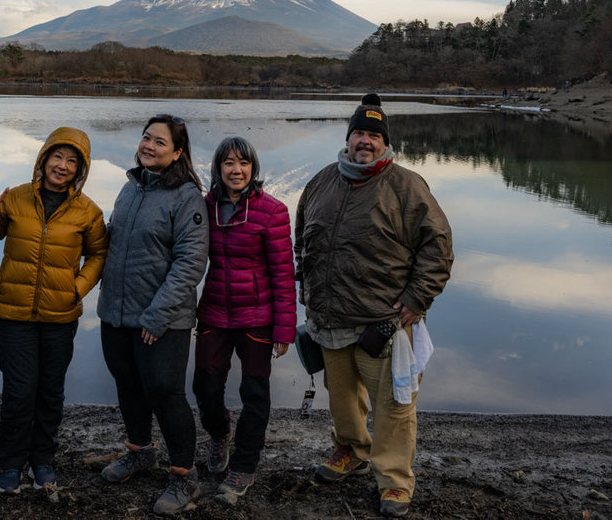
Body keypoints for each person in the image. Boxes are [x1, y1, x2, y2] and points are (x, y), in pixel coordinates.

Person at [295, 93, 454, 519]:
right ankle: (351, 451)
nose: (364, 141)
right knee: (342, 400)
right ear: (348, 139)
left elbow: (438, 247)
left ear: (385, 143)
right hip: (329, 318)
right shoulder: (321, 181)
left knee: (395, 406)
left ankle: (395, 481)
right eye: (358, 133)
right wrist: (304, 285)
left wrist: (417, 299)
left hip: (383, 322)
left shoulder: (407, 185)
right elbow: (302, 238)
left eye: (373, 135)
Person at [0, 127, 108, 495]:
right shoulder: (15, 198)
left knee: (50, 391)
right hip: (13, 315)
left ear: (80, 169)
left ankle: (43, 461)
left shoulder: (88, 211)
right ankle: (11, 464)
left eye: (71, 161)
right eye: (57, 157)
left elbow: (98, 255)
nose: (62, 166)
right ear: (44, 159)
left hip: (59, 318)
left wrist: (76, 289)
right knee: (18, 392)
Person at [96, 114, 209, 516]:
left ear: (178, 152)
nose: (150, 146)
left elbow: (191, 263)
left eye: (161, 142)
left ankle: (184, 476)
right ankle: (140, 452)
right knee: (128, 385)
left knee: (166, 392)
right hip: (116, 314)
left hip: (162, 320)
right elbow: (112, 243)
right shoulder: (130, 188)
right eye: (147, 138)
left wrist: (157, 315)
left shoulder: (186, 197)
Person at [191, 136, 296, 506]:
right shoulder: (203, 208)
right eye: (229, 163)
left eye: (244, 163)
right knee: (204, 386)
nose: (236, 170)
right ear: (218, 169)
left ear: (253, 169)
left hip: (257, 318)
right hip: (215, 313)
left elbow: (284, 275)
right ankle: (219, 433)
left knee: (254, 394)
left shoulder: (272, 211)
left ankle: (244, 465)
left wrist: (285, 329)